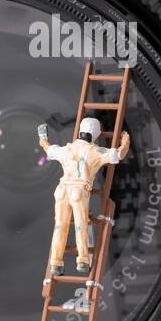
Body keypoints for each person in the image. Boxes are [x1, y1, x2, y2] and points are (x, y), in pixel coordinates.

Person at [38, 117, 130, 276]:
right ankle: (82, 260)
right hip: (79, 191)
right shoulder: (95, 151)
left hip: (62, 190)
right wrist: (126, 141)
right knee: (81, 225)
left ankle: (56, 263)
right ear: (95, 134)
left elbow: (47, 147)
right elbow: (118, 155)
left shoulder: (67, 149)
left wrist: (43, 137)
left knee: (60, 226)